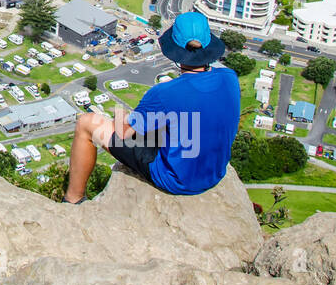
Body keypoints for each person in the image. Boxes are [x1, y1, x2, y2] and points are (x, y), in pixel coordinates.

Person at [64, 11, 240, 203]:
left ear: (175, 50)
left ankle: (73, 198)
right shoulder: (230, 77)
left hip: (177, 180)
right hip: (213, 172)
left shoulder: (165, 93)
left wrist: (119, 113)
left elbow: (123, 132)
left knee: (86, 123)